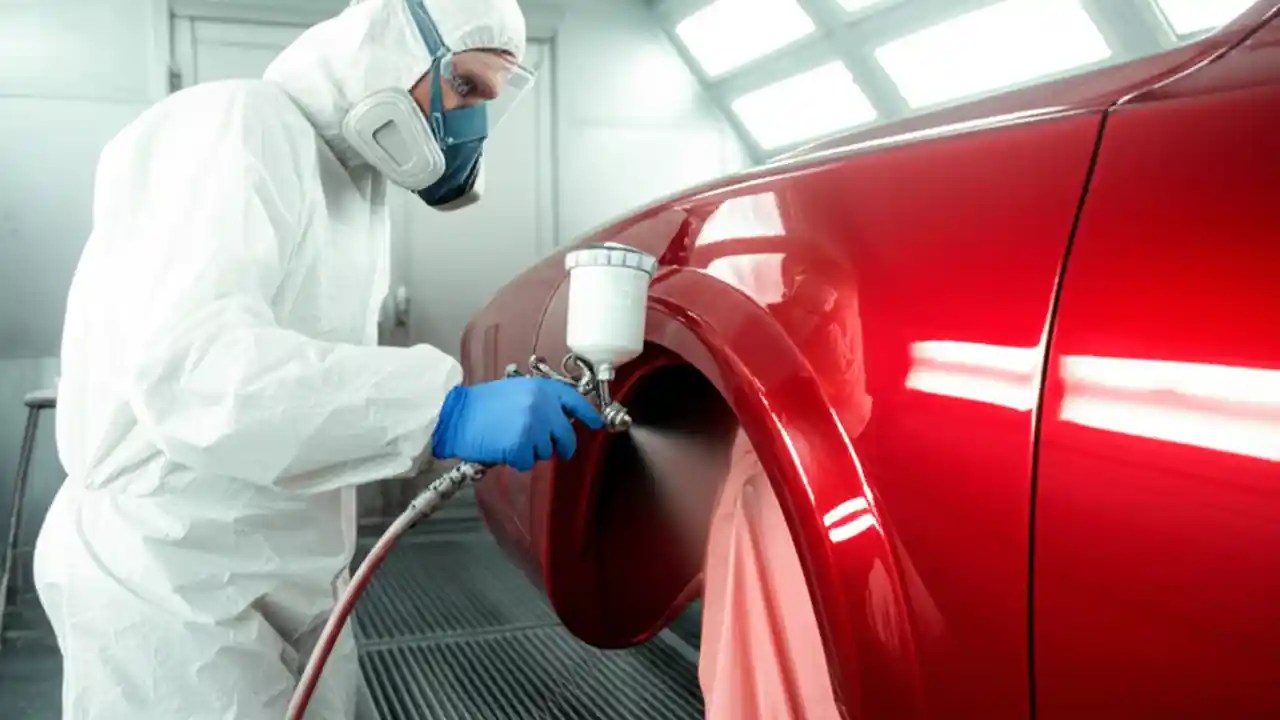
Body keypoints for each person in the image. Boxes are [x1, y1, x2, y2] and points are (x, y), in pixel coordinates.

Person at [32, 0, 600, 717]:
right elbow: (196, 369)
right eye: (464, 87)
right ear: (390, 48)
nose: (471, 124)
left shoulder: (351, 185)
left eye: (488, 101)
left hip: (285, 566)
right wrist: (442, 410)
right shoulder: (234, 125)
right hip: (172, 577)